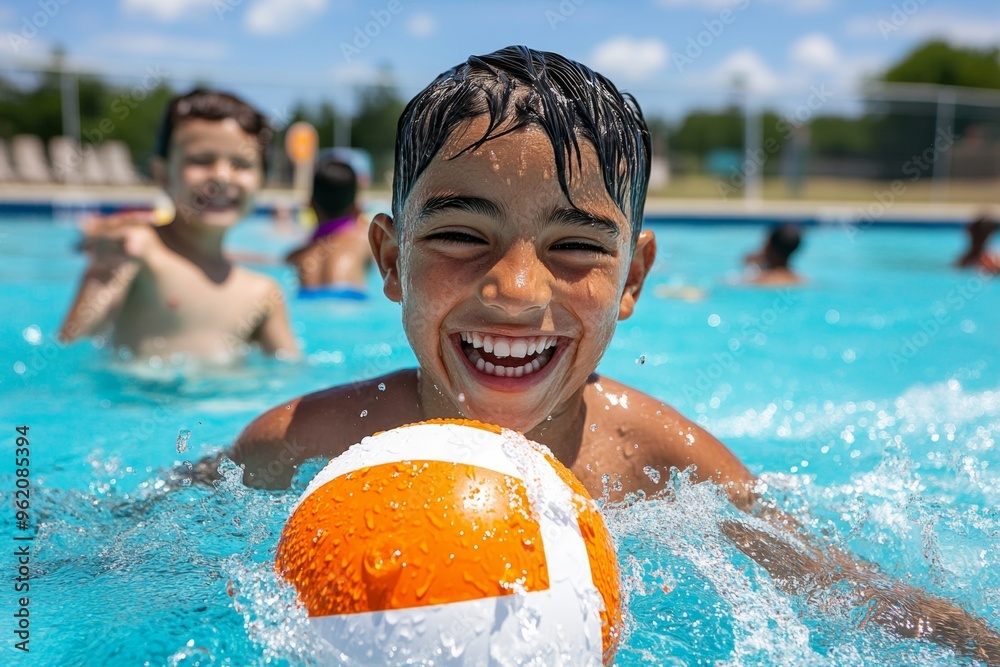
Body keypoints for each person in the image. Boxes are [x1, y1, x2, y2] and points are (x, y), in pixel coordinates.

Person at [216, 47, 999, 661]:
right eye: (459, 233)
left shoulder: (661, 461)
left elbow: (846, 587)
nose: (516, 291)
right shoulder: (307, 443)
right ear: (391, 261)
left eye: (576, 245)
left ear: (633, 278)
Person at [58, 88, 299, 363]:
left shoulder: (263, 294)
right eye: (201, 160)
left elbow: (291, 375)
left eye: (241, 164)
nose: (221, 176)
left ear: (263, 182)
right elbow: (72, 343)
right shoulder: (140, 252)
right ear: (162, 175)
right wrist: (101, 272)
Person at [284, 156, 372, 300]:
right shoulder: (366, 239)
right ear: (356, 207)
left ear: (310, 205)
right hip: (351, 300)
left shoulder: (294, 256)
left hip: (306, 299)